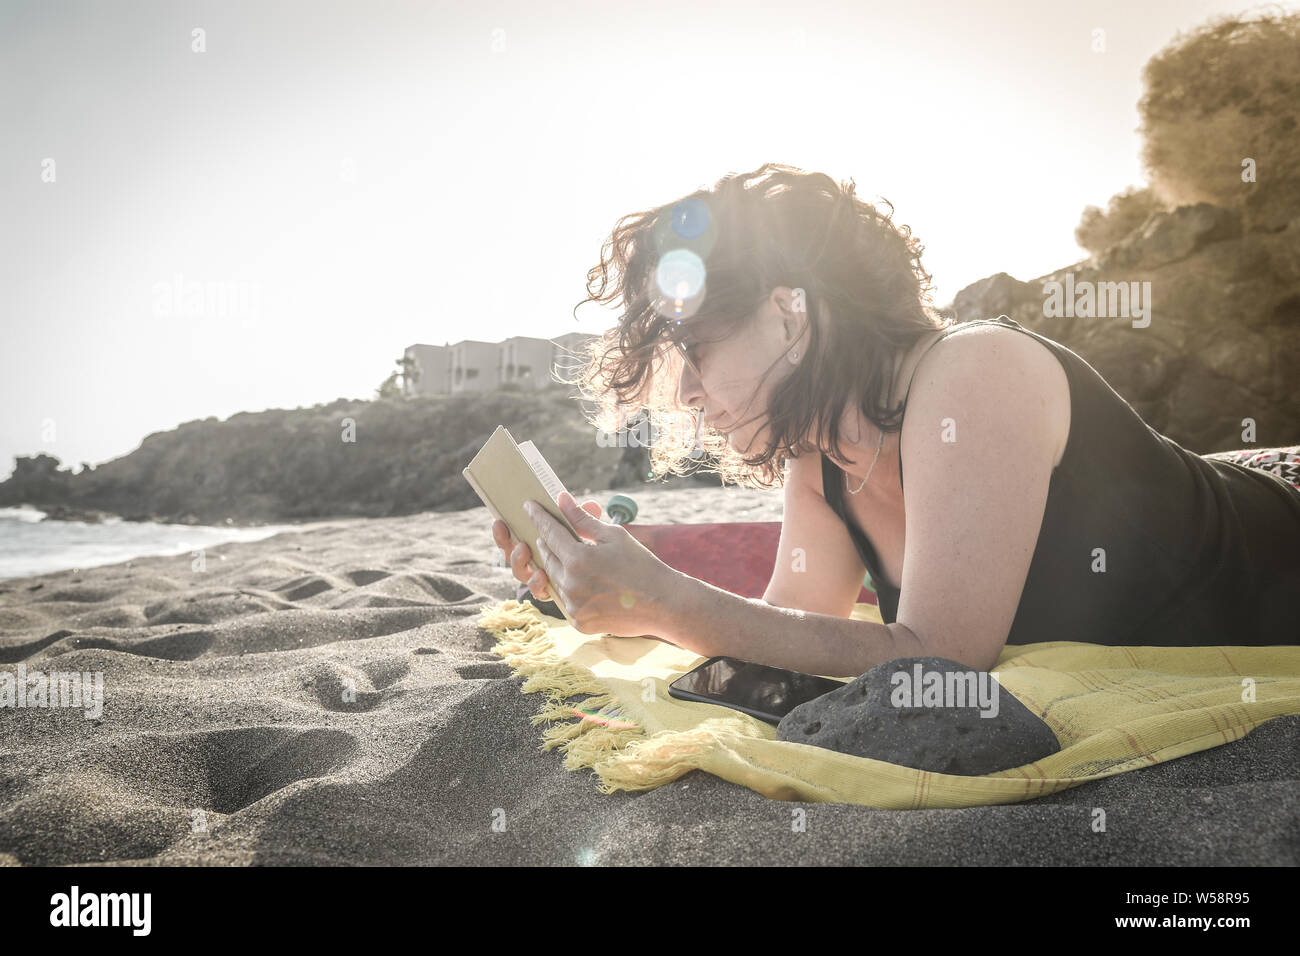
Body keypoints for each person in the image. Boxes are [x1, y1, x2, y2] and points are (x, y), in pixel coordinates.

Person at [492, 163, 1300, 677]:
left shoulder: (973, 370)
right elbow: (787, 635)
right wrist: (606, 593)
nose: (689, 395)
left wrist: (666, 598)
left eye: (696, 353)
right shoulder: (820, 465)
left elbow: (943, 655)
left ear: (788, 313)